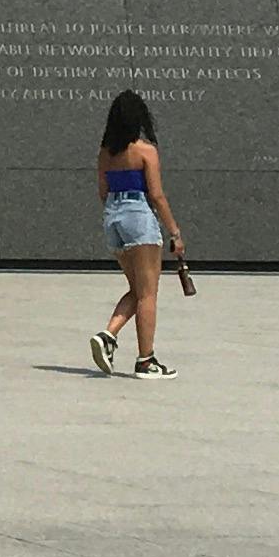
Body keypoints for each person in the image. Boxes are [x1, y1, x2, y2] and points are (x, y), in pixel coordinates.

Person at [89, 90, 188, 379]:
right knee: (148, 294)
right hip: (138, 216)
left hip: (113, 219)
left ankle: (108, 335)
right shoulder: (145, 151)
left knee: (137, 289)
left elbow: (103, 192)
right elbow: (156, 195)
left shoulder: (105, 153)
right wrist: (175, 232)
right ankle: (146, 360)